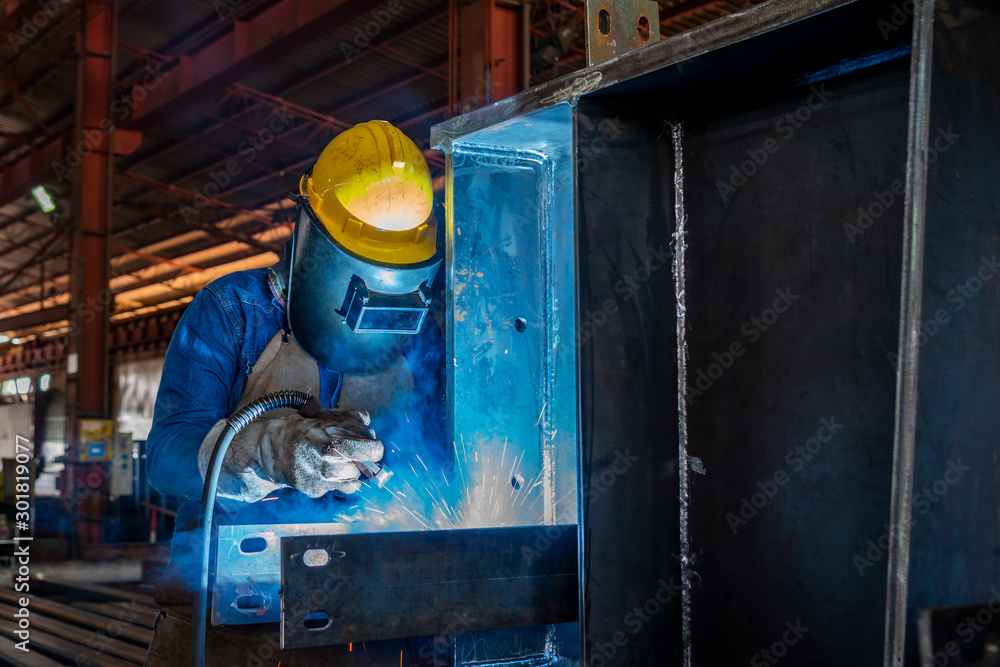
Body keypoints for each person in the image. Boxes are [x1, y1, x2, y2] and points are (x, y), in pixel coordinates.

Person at [143, 120, 444, 666]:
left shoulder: (416, 331)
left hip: (353, 614)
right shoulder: (235, 309)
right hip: (223, 617)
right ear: (313, 240)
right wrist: (267, 451)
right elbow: (163, 458)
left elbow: (435, 450)